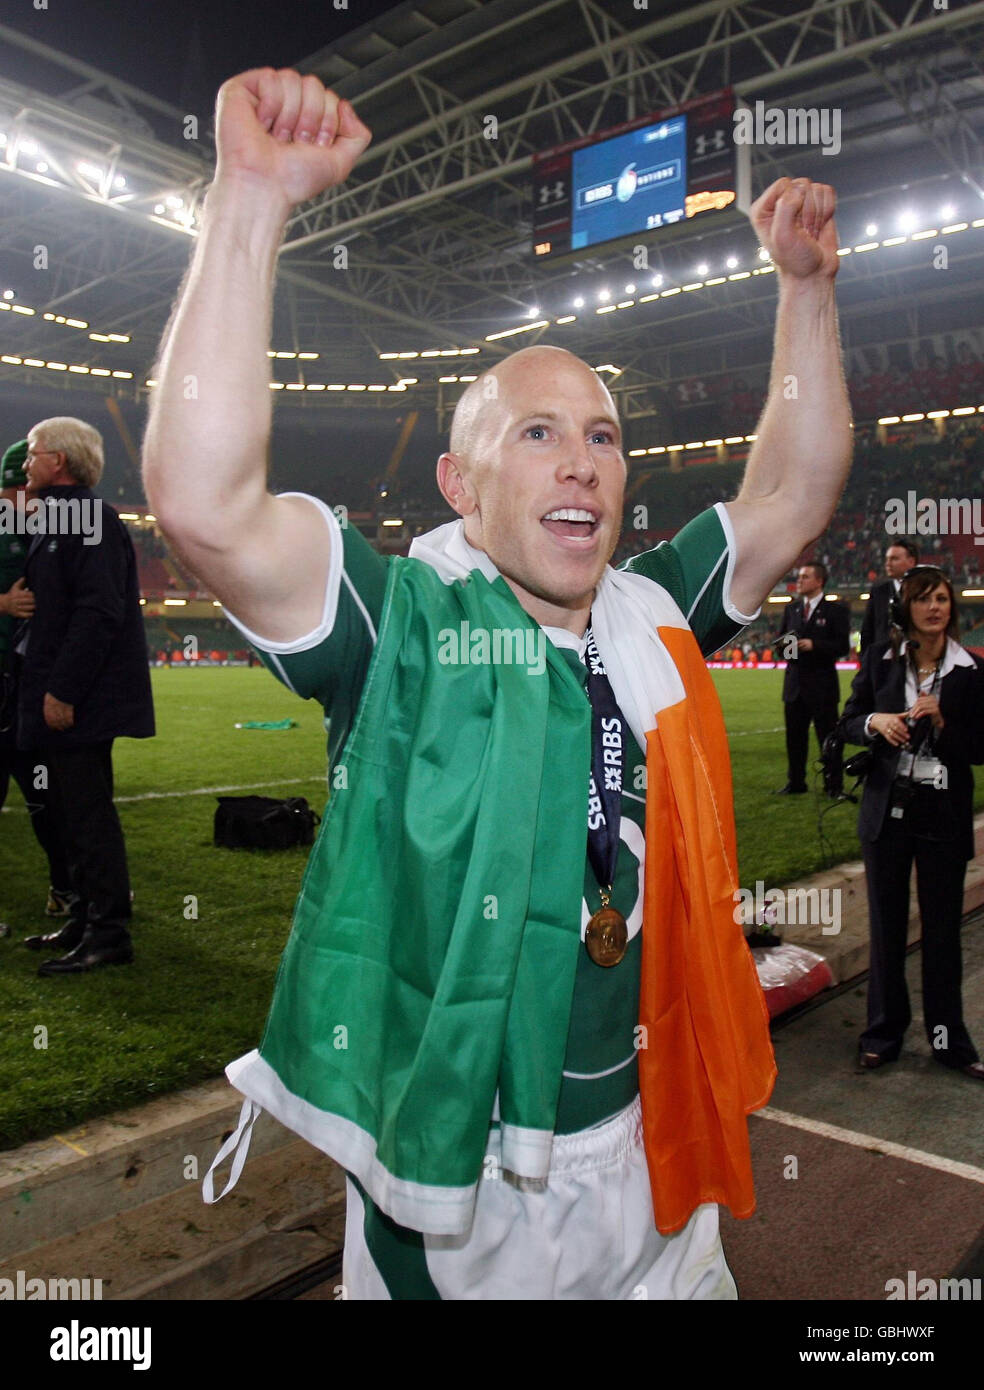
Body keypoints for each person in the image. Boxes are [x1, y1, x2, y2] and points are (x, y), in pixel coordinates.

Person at [143, 67, 852, 1300]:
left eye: (602, 433)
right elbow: (206, 504)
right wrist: (249, 198)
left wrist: (805, 291)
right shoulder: (402, 623)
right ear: (462, 492)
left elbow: (792, 495)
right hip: (458, 1186)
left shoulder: (648, 613)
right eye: (537, 432)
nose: (581, 460)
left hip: (651, 1144)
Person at [16, 418, 155, 974]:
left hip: (79, 700)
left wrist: (63, 690)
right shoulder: (59, 519)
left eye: (32, 454)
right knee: (69, 814)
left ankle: (109, 933)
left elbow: (98, 612)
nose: (26, 464)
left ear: (59, 460)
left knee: (87, 815)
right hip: (58, 692)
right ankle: (84, 919)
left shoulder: (89, 518)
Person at [840, 566, 984, 1081]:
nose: (934, 607)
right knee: (886, 929)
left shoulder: (972, 669)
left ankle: (950, 1042)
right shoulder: (880, 660)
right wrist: (874, 722)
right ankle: (883, 1032)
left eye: (942, 598)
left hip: (942, 813)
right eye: (923, 599)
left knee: (944, 932)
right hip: (887, 813)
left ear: (952, 607)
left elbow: (981, 747)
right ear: (907, 607)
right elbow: (846, 722)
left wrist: (944, 724)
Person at [0, 439, 73, 926]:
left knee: (47, 794)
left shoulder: (53, 533)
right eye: (25, 490)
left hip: (29, 687)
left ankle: (66, 889)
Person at [774, 561, 850, 794]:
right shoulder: (792, 609)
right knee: (794, 740)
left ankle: (833, 785)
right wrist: (786, 647)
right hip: (794, 686)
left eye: (805, 577)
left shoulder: (835, 610)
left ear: (819, 581)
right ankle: (796, 783)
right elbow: (782, 644)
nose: (799, 580)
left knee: (828, 739)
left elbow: (842, 646)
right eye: (799, 576)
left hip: (822, 687)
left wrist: (814, 644)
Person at [860, 539, 918, 651]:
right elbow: (868, 630)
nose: (888, 563)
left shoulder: (924, 589)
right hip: (884, 660)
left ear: (911, 562)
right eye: (887, 559)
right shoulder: (878, 590)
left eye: (894, 559)